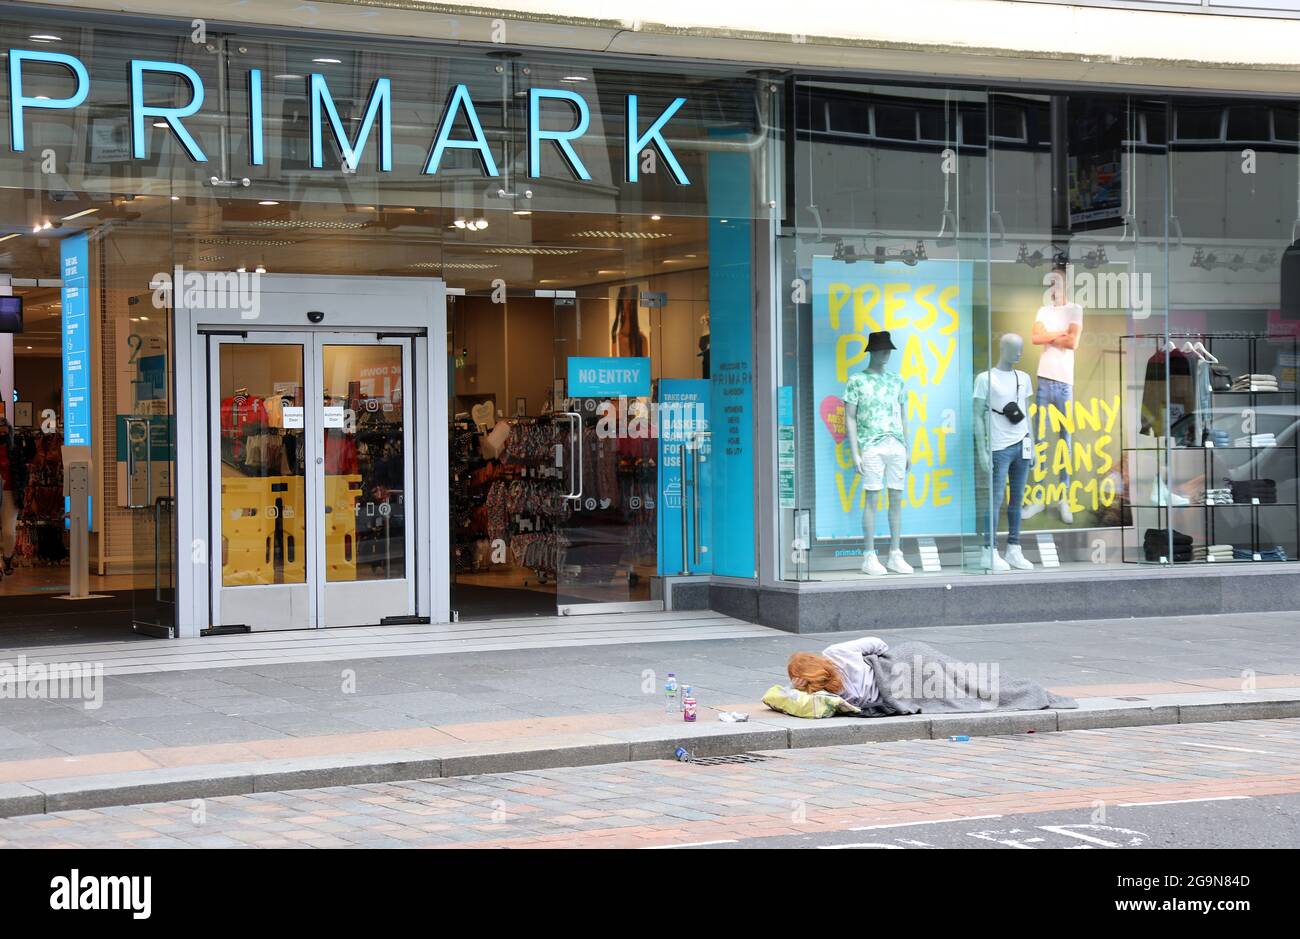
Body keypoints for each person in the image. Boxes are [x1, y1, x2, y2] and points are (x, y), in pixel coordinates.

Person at [787, 636, 889, 708]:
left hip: (888, 678)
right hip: (889, 688)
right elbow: (877, 643)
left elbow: (876, 644)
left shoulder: (835, 653)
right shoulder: (817, 694)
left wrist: (792, 689)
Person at [0, 416, 26, 576]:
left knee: (9, 532)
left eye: (4, 432)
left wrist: (21, 490)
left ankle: (8, 557)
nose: (2, 434)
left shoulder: (15, 451)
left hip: (10, 493)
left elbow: (23, 473)